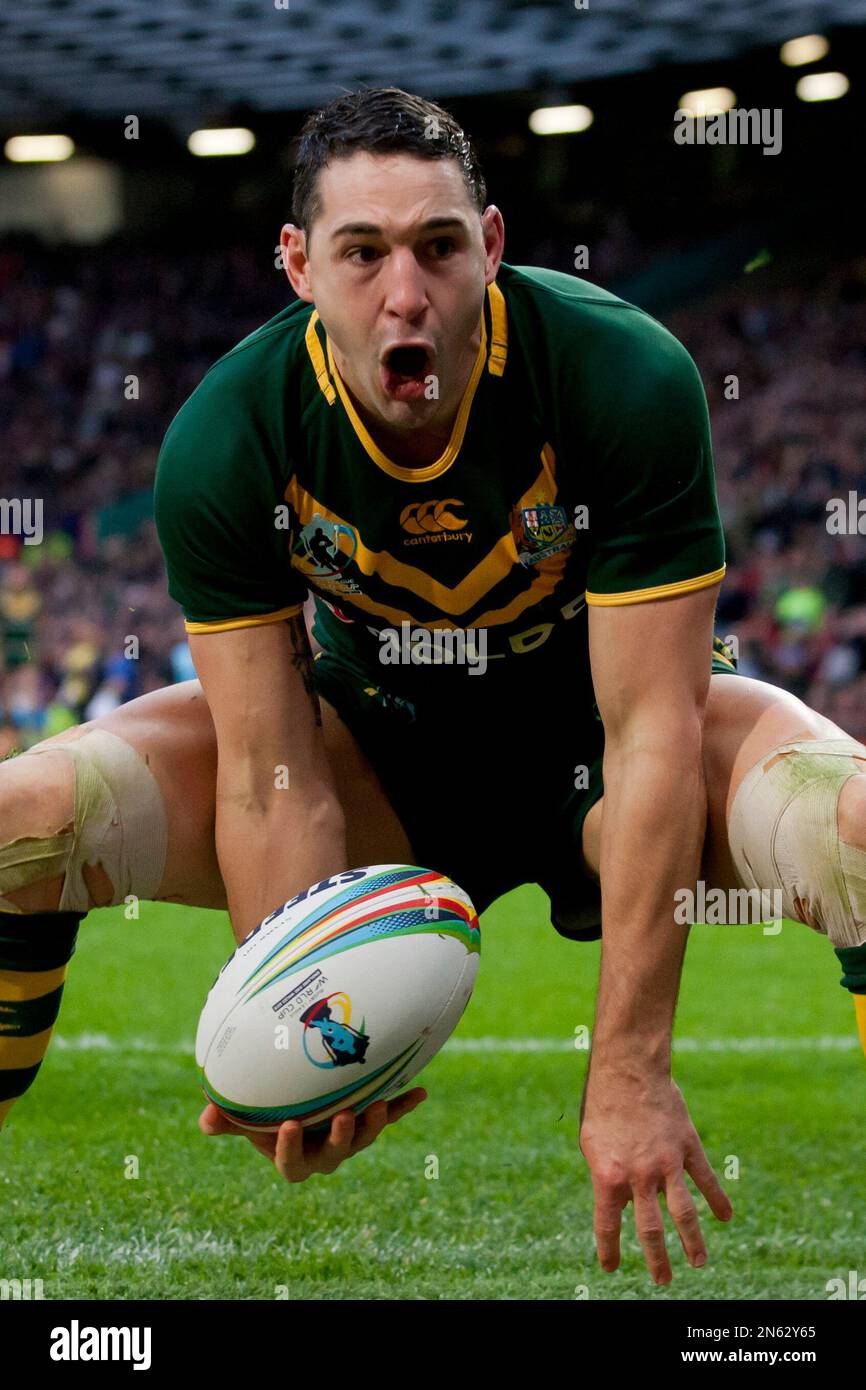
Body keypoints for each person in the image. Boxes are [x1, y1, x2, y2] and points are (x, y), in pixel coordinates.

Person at [3, 86, 864, 1289]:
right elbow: (269, 769)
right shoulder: (228, 434)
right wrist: (301, 1028)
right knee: (19, 823)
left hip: (600, 765)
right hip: (372, 766)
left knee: (861, 833)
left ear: (492, 246)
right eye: (361, 253)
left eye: (437, 247)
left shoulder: (619, 372)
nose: (404, 294)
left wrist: (626, 1067)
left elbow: (654, 733)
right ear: (297, 264)